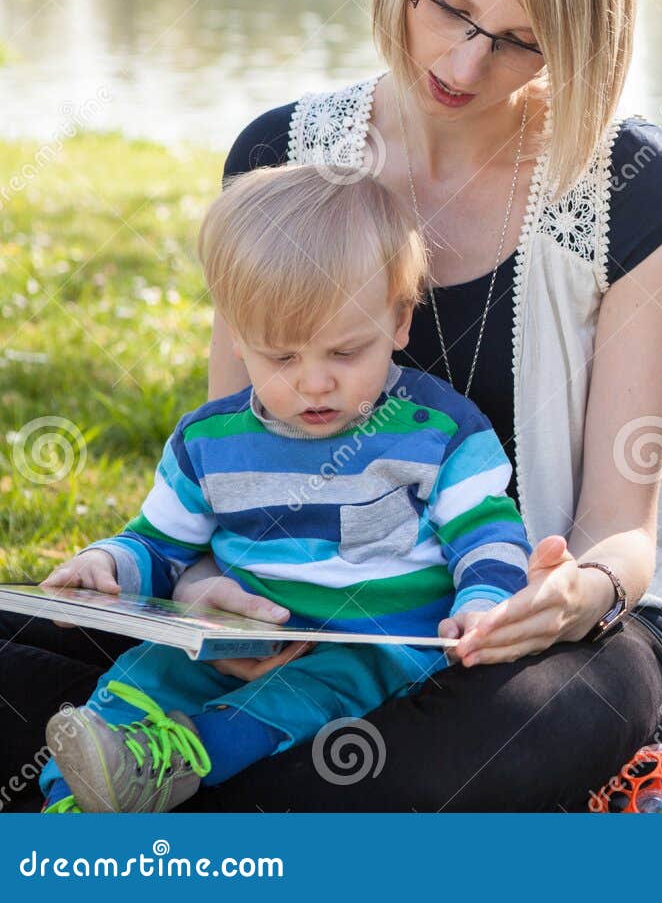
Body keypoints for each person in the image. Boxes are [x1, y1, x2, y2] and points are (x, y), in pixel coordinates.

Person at [0, 0, 662, 811]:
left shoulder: (635, 190)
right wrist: (203, 591)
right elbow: (230, 449)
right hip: (290, 605)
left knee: (541, 720)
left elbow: (621, 533)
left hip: (518, 637)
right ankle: (201, 783)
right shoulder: (279, 159)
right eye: (447, 7)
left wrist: (571, 596)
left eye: (521, 41)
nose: (464, 66)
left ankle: (157, 796)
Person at [37, 166, 534, 813]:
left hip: (379, 646)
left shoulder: (438, 431)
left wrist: (486, 600)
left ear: (399, 320)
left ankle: (174, 763)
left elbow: (488, 533)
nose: (315, 383)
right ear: (237, 337)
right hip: (243, 632)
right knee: (142, 673)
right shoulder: (208, 443)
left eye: (345, 352)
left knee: (306, 692)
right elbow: (158, 545)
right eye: (282, 357)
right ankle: (72, 800)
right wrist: (106, 563)